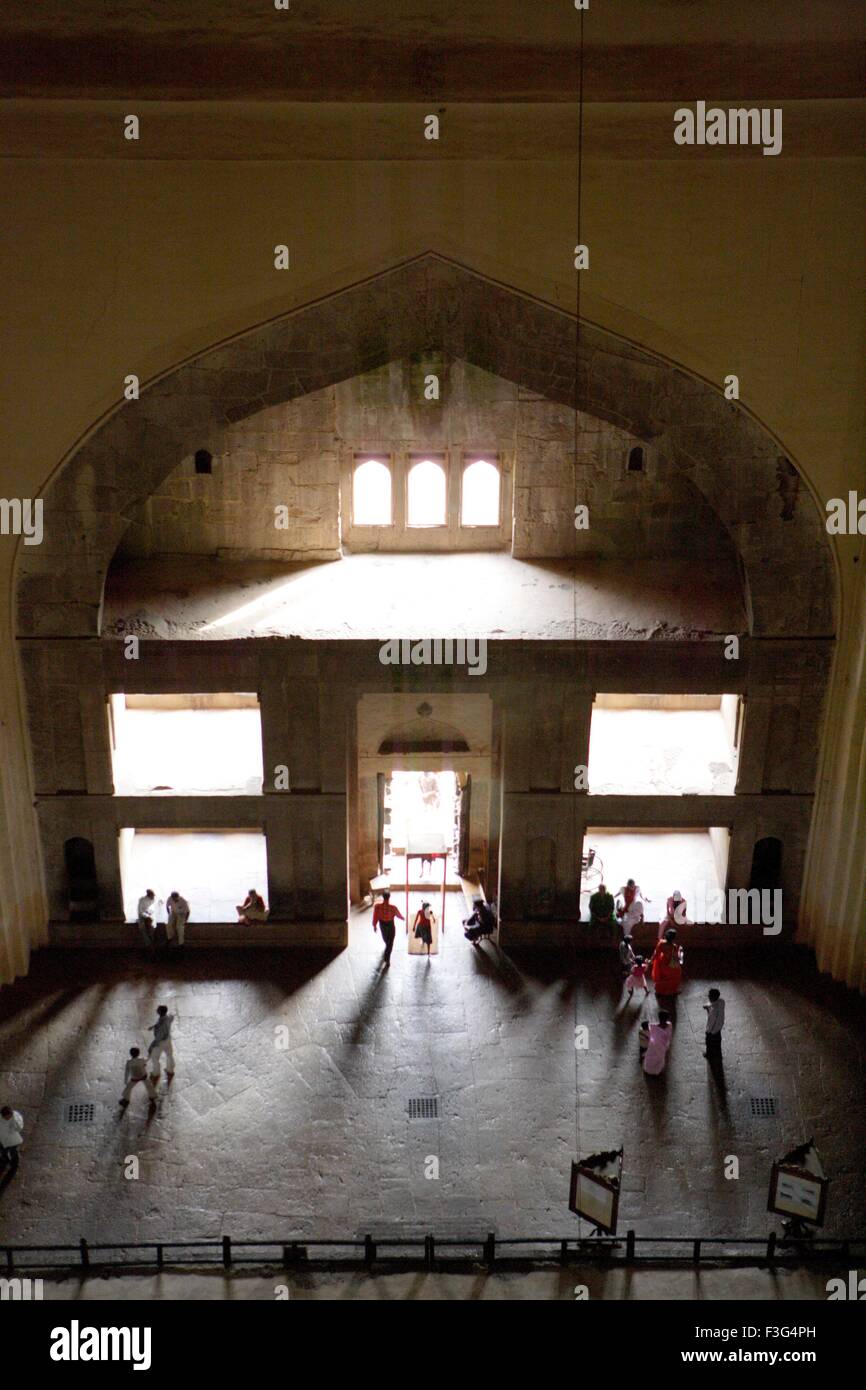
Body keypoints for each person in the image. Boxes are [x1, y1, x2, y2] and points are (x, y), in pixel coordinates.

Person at [650, 928, 683, 1002]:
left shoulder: (661, 943)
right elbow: (675, 958)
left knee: (661, 977)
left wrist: (651, 961)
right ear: (674, 938)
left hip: (662, 963)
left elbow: (656, 954)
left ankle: (659, 991)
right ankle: (672, 990)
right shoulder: (674, 946)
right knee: (676, 974)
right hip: (670, 965)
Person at [372, 890, 403, 966]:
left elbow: (375, 916)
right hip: (390, 925)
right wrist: (403, 918)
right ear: (389, 897)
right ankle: (387, 958)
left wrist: (375, 925)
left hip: (382, 925)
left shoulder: (377, 907)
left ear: (383, 897)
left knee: (386, 940)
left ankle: (387, 956)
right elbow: (399, 915)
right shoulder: (393, 908)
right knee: (390, 942)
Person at [148, 1005, 176, 1079]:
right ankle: (170, 1069)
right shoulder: (168, 1017)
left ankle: (156, 1073)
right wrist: (154, 1026)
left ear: (160, 1012)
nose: (156, 1010)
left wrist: (152, 1045)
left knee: (155, 1057)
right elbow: (171, 1016)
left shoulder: (161, 1024)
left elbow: (159, 1037)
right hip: (168, 1039)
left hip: (161, 1042)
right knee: (169, 1054)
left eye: (158, 1009)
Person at [643, 1010, 673, 1076]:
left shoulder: (652, 1027)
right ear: (667, 1018)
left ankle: (649, 1069)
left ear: (659, 1018)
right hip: (663, 1047)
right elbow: (669, 1037)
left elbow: (647, 1033)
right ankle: (656, 1070)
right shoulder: (669, 1025)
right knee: (660, 1060)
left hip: (654, 1048)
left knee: (651, 1058)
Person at [0, 1105, 23, 1180]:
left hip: (13, 1140)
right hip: (2, 1139)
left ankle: (15, 1164)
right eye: (6, 1117)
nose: (7, 1118)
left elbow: (19, 1127)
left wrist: (14, 1125)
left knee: (13, 1152)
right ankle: (5, 1161)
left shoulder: (15, 1118)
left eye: (8, 1117)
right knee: (3, 1151)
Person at [703, 987, 726, 1060]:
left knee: (709, 1043)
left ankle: (709, 1054)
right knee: (717, 1043)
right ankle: (719, 1056)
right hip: (718, 1028)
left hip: (712, 1031)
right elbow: (712, 1004)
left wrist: (708, 1032)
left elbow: (711, 1023)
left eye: (709, 995)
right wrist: (708, 1006)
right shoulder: (721, 1001)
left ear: (712, 997)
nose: (708, 996)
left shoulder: (713, 1011)